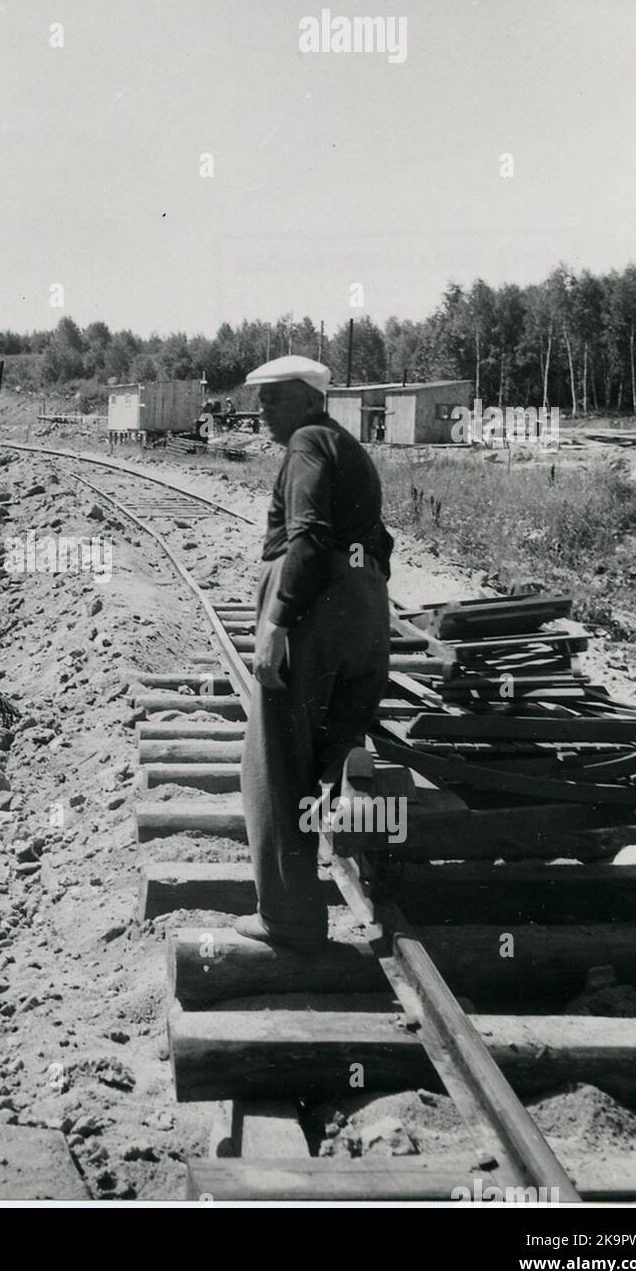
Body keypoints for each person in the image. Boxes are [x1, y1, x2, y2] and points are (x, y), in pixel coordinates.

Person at [236, 355, 393, 950]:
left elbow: (306, 538)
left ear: (306, 398)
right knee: (327, 755)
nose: (262, 410)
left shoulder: (305, 442)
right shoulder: (345, 445)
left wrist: (278, 620)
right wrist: (361, 609)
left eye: (272, 398)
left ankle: (289, 920)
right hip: (363, 607)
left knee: (276, 763)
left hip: (314, 609)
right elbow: (379, 543)